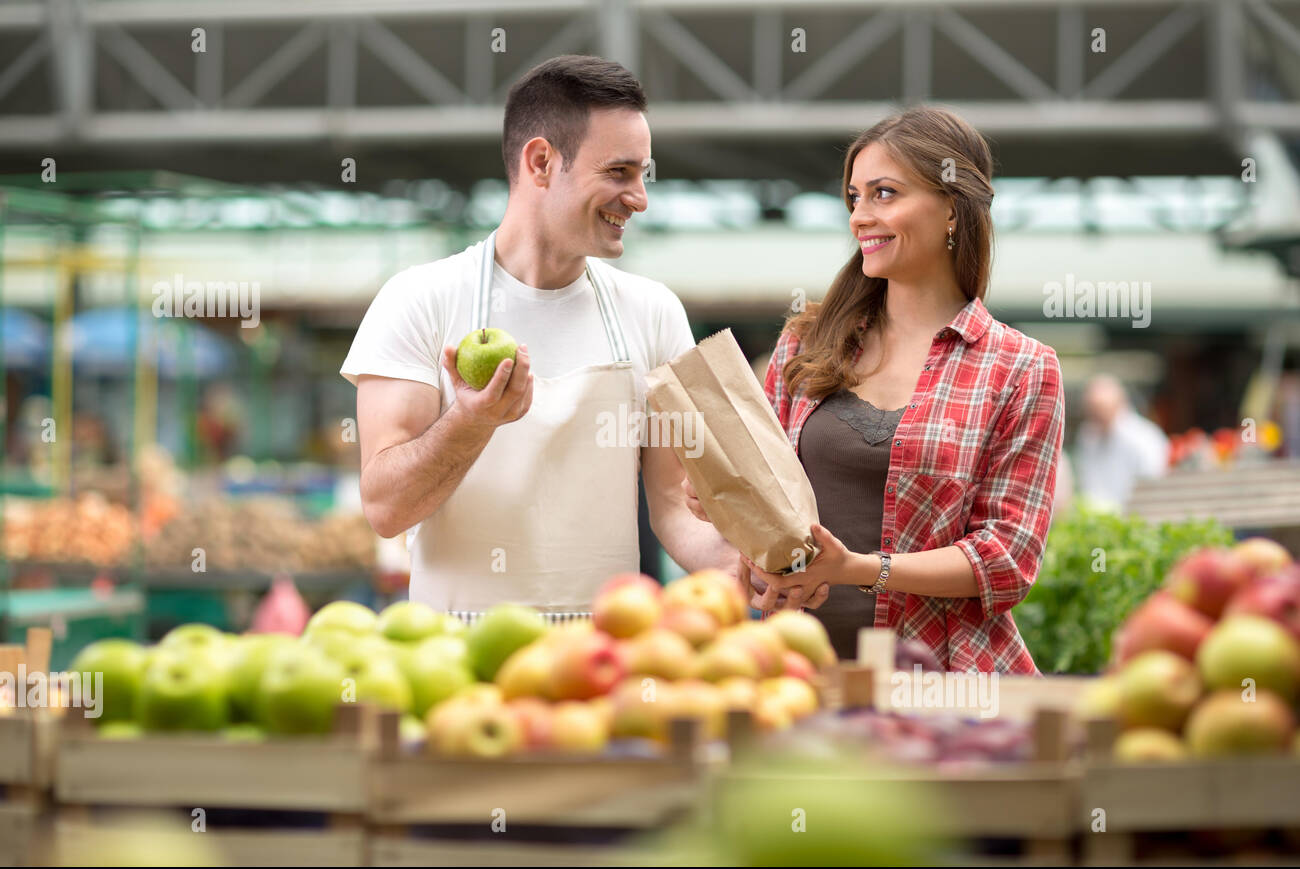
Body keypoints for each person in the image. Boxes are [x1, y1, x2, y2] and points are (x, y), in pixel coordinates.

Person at [341, 56, 816, 623]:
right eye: (619, 173)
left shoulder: (652, 311)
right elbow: (387, 508)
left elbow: (671, 508)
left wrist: (746, 569)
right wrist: (471, 422)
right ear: (541, 162)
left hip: (604, 658)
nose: (639, 198)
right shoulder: (419, 300)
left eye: (644, 174)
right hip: (457, 660)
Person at [687, 107, 1063, 671]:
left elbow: (1006, 560)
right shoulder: (806, 345)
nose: (861, 216)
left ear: (953, 210)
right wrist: (724, 501)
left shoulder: (1020, 368)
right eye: (855, 198)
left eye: (885, 194)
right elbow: (769, 506)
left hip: (942, 679)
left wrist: (859, 569)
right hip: (795, 671)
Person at [1073, 374, 1169, 510]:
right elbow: (1086, 481)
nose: (1096, 418)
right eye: (1092, 412)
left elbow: (1153, 482)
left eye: (1101, 410)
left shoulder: (1145, 437)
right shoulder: (1088, 435)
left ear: (1120, 404)